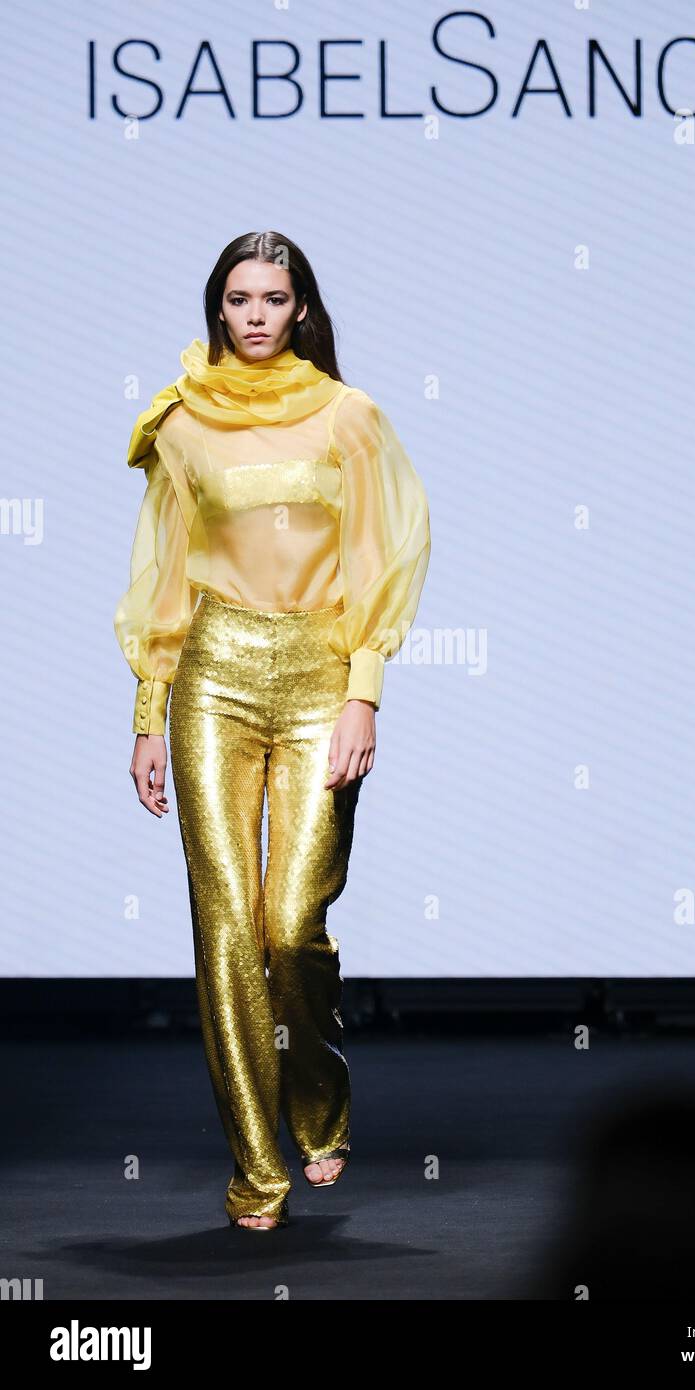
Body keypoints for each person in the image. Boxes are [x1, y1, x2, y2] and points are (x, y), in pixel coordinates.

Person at [114, 231, 431, 1230]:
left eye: (274, 298)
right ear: (219, 308)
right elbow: (163, 572)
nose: (255, 315)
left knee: (290, 925)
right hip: (211, 674)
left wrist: (363, 693)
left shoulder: (347, 416)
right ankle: (256, 1167)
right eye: (239, 298)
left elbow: (383, 556)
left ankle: (318, 1100)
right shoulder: (181, 423)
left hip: (319, 675)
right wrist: (148, 713)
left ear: (302, 310)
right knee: (224, 926)